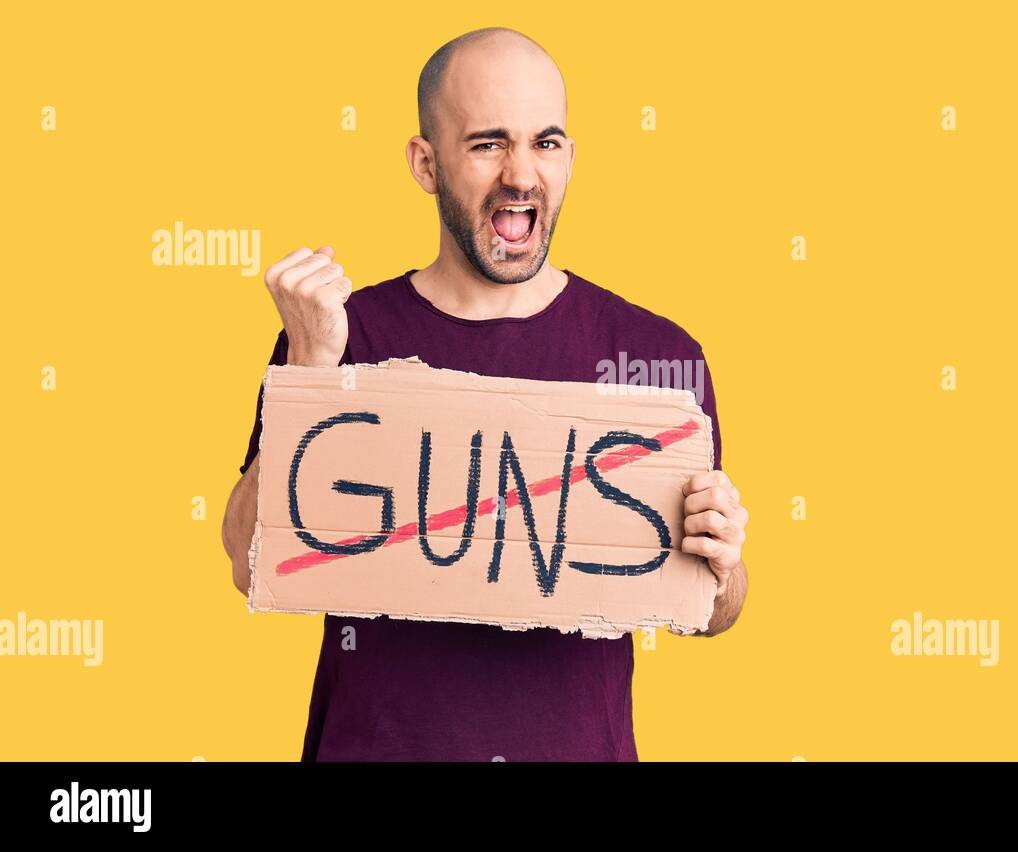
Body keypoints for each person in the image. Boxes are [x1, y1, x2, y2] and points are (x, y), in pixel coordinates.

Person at [221, 27, 749, 761]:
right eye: (488, 144)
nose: (522, 175)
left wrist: (723, 564)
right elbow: (250, 562)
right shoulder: (345, 335)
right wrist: (312, 367)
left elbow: (713, 610)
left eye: (546, 143)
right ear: (426, 164)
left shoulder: (655, 360)